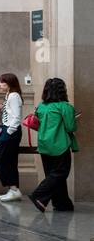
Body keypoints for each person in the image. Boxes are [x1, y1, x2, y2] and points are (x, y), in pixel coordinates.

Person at [31, 77, 79, 213]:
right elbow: (71, 128)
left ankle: (62, 203)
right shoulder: (65, 107)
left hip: (44, 144)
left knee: (52, 174)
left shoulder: (41, 106)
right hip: (60, 144)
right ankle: (38, 195)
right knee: (60, 173)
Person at [0, 73, 24, 202]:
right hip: (8, 130)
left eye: (2, 82)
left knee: (0, 160)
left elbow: (16, 117)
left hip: (11, 131)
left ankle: (13, 189)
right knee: (9, 161)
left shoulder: (14, 96)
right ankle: (13, 189)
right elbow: (10, 114)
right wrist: (1, 110)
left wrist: (9, 132)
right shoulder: (9, 95)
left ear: (9, 83)